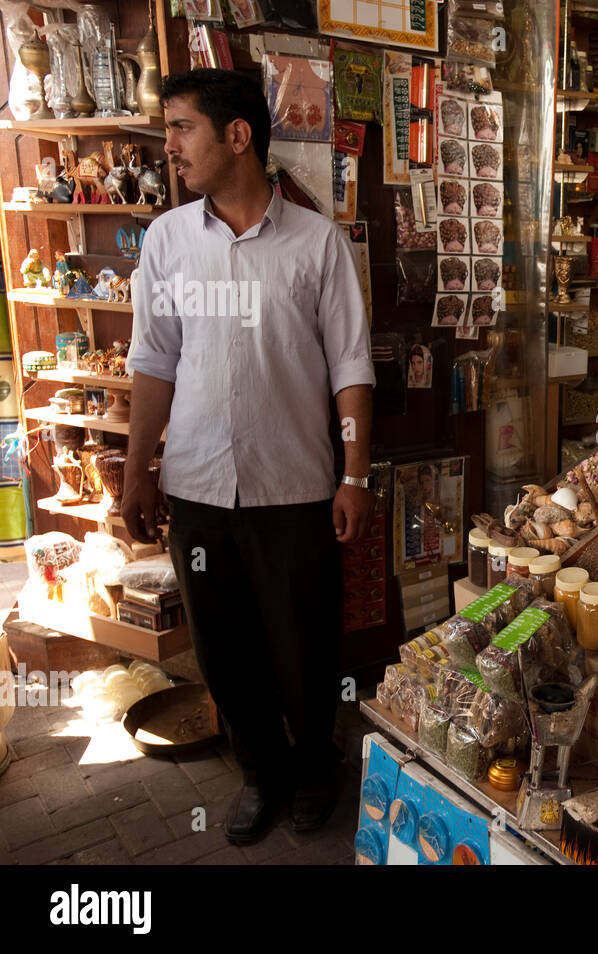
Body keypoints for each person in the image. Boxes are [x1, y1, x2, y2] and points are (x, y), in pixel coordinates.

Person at [121, 69, 375, 845]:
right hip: (197, 486)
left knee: (304, 650)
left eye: (181, 128)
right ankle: (260, 774)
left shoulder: (316, 243)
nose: (169, 147)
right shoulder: (167, 241)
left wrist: (355, 474)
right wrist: (138, 471)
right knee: (225, 654)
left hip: (294, 487)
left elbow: (351, 366)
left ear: (238, 136)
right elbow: (153, 361)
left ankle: (315, 771)